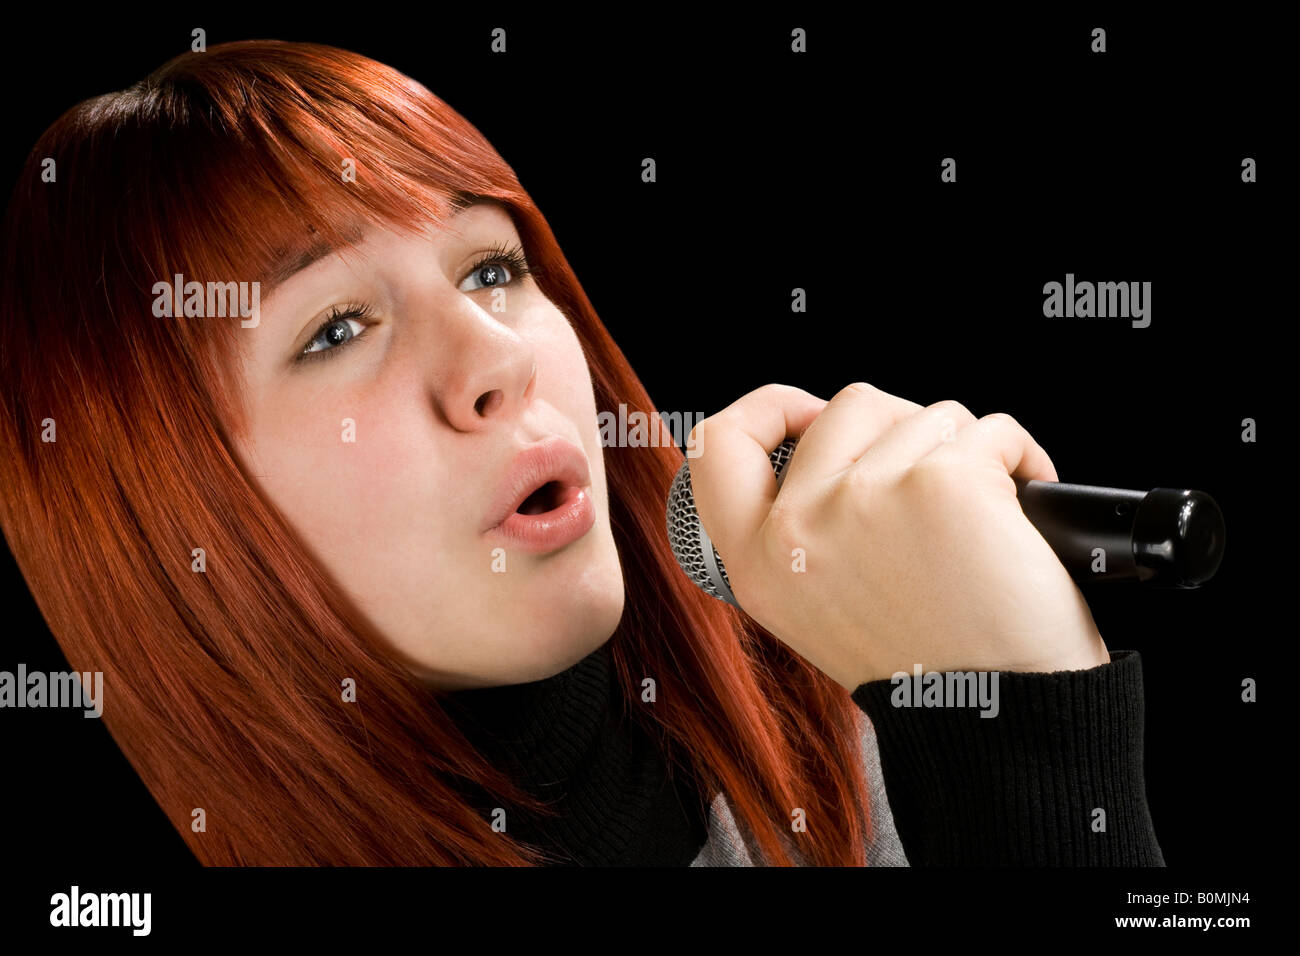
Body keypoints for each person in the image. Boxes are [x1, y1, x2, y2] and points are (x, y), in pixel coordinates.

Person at [0, 40, 1162, 866]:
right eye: (336, 328)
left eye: (491, 268)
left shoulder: (876, 749)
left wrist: (1017, 737)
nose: (494, 355)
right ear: (165, 521)